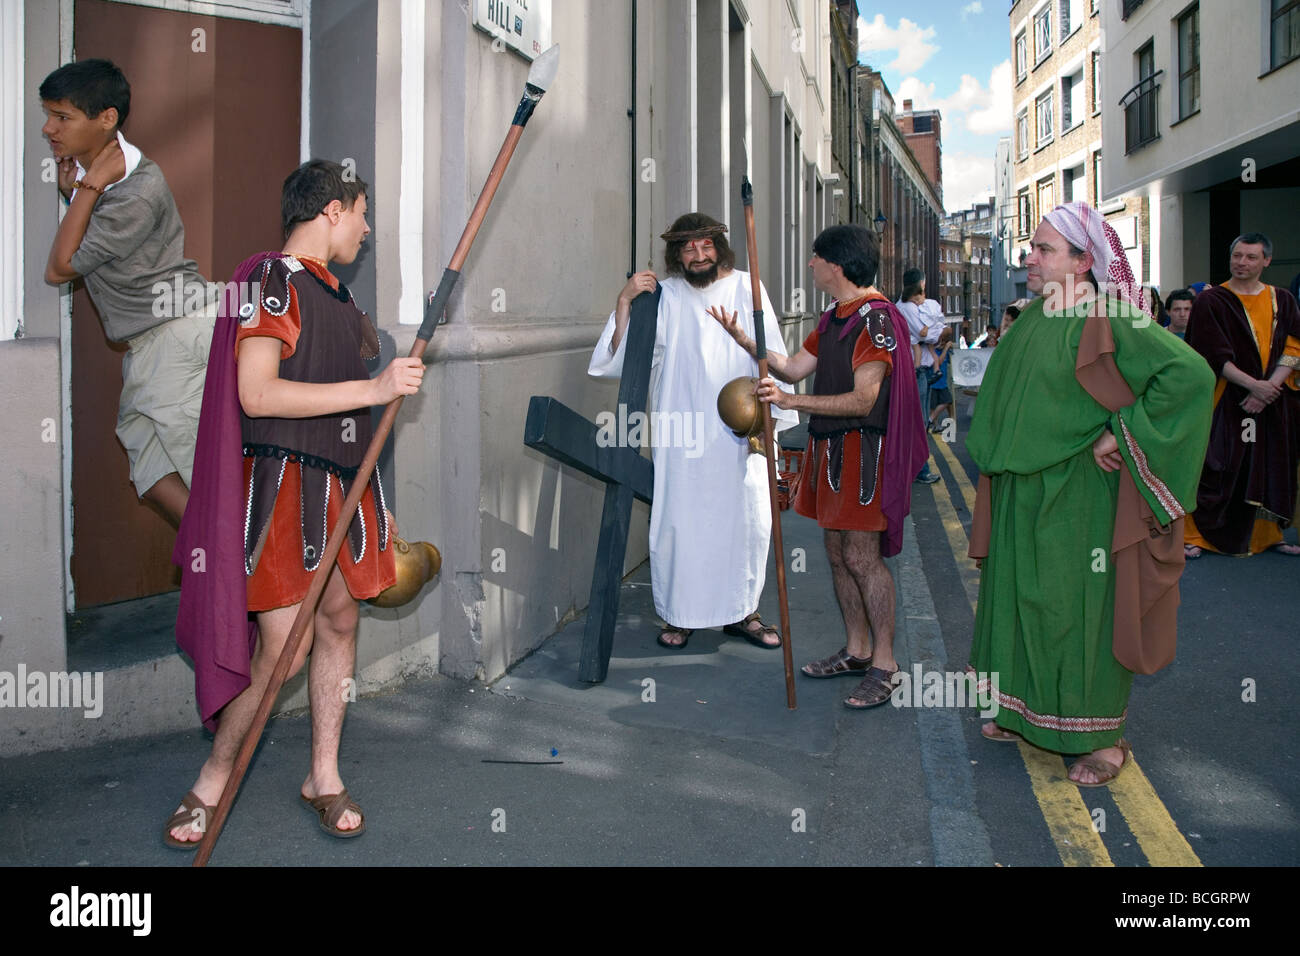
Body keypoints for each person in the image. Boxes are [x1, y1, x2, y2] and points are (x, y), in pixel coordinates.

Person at [165, 160, 424, 847]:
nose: (366, 231)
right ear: (331, 210)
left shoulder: (338, 298)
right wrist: (375, 390)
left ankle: (324, 774)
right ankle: (212, 781)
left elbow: (351, 408)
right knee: (285, 647)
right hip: (284, 489)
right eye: (362, 214)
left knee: (339, 628)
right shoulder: (270, 282)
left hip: (344, 488)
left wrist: (376, 493)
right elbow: (258, 394)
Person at [967, 201, 1213, 785]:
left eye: (1044, 249)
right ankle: (1021, 713)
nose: (1030, 257)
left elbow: (1191, 377)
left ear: (1083, 261)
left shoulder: (1109, 317)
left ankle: (1104, 742)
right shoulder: (1030, 318)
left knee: (1079, 615)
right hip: (1020, 493)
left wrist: (1119, 435)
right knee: (1021, 603)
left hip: (1079, 497)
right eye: (1033, 246)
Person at [717, 224, 927, 707]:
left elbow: (863, 399)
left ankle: (885, 663)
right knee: (836, 555)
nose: (809, 266)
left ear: (836, 264)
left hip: (863, 455)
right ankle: (856, 650)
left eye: (815, 258)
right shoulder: (835, 316)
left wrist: (792, 400)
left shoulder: (875, 319)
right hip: (832, 451)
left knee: (862, 558)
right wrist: (745, 341)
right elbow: (791, 367)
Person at [589, 213, 797, 649]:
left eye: (705, 245)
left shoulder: (748, 286)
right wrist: (625, 301)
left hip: (739, 434)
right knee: (681, 523)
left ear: (719, 248)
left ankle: (744, 612)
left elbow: (776, 358)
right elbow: (625, 357)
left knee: (745, 522)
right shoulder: (663, 295)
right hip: (680, 432)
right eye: (688, 248)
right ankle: (680, 614)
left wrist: (769, 427)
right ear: (677, 254)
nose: (698, 255)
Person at [41, 59, 216, 526]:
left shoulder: (133, 189)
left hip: (174, 337)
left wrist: (85, 189)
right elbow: (94, 250)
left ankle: (250, 587)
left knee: (216, 481)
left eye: (62, 117)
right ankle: (213, 556)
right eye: (49, 115)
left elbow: (60, 269)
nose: (48, 128)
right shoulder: (105, 183)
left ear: (107, 119)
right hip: (151, 343)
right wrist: (75, 194)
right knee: (151, 465)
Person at [1183, 233, 1300, 558]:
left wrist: (1269, 388)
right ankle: (1198, 535)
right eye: (1237, 256)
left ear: (1267, 261)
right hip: (1225, 399)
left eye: (1250, 257)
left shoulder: (1284, 300)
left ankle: (1268, 535)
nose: (1242, 263)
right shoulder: (1212, 301)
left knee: (1271, 464)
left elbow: (1294, 348)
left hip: (1273, 401)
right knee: (1215, 466)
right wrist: (1253, 385)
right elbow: (1210, 353)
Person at [896, 268, 942, 484]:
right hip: (915, 372)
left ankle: (915, 469)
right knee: (919, 422)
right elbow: (930, 334)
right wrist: (936, 331)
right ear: (921, 284)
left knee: (918, 422)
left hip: (920, 371)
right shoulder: (907, 308)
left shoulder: (912, 306)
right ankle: (918, 470)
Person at [927, 327, 954, 433]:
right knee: (933, 405)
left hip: (942, 382)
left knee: (947, 400)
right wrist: (946, 348)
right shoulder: (934, 351)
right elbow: (940, 362)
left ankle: (931, 420)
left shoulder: (943, 350)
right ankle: (934, 423)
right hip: (934, 382)